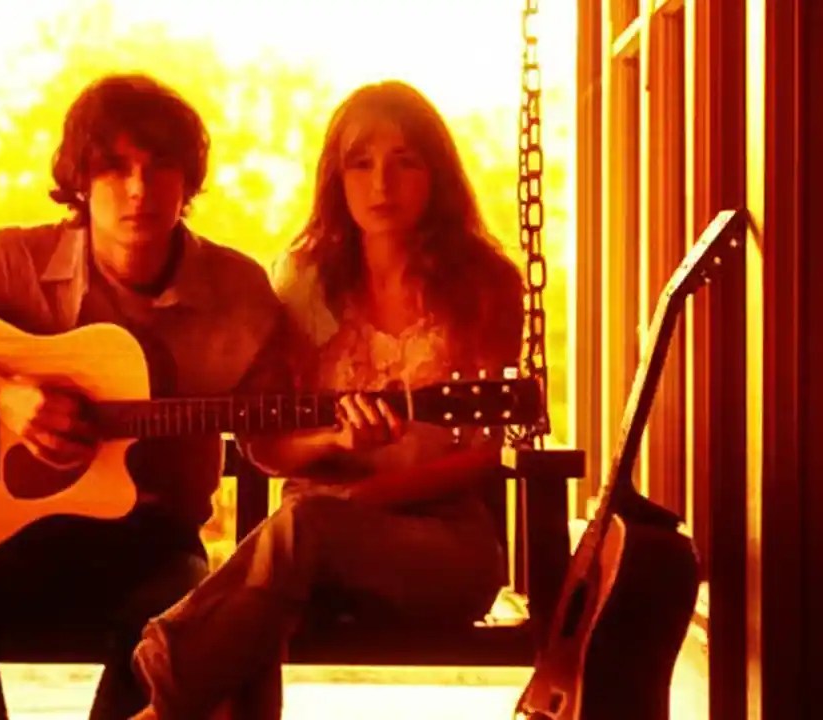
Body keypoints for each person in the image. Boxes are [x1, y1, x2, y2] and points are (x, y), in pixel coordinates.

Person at [0, 73, 290, 720]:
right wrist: (0, 393)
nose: (137, 189)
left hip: (158, 543)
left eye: (160, 167)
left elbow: (275, 435)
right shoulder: (13, 263)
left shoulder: (237, 292)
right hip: (23, 537)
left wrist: (339, 435)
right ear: (80, 180)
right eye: (115, 168)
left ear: (187, 181)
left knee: (167, 634)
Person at [130, 79, 527, 719]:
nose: (382, 184)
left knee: (290, 545)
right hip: (304, 549)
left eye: (405, 161)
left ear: (437, 172)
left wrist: (358, 500)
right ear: (336, 179)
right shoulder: (303, 281)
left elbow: (489, 454)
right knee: (259, 602)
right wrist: (335, 442)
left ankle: (159, 694)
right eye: (361, 163)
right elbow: (267, 445)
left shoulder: (484, 285)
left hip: (442, 545)